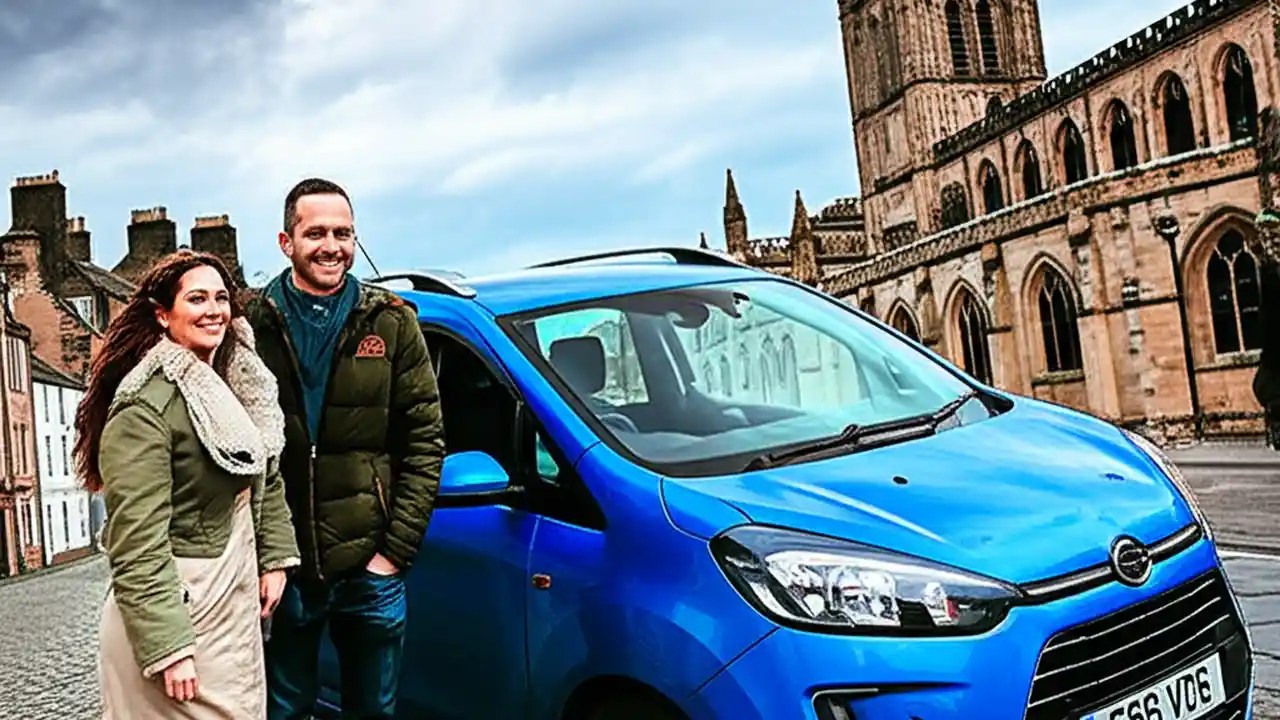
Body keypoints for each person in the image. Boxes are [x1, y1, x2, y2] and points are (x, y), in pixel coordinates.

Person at [243, 178, 445, 719]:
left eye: (343, 233)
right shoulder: (251, 325)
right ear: (287, 243)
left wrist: (393, 554)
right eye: (316, 233)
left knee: (373, 712)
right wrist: (262, 554)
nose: (331, 245)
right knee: (284, 711)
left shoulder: (391, 320)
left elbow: (425, 442)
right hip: (284, 569)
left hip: (368, 565)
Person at [74, 250, 300, 718]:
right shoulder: (145, 407)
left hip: (229, 607)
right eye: (196, 299)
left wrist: (274, 558)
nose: (213, 309)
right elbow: (136, 541)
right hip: (178, 612)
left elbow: (266, 472)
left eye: (221, 298)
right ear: (163, 314)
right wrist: (168, 647)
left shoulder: (239, 386)